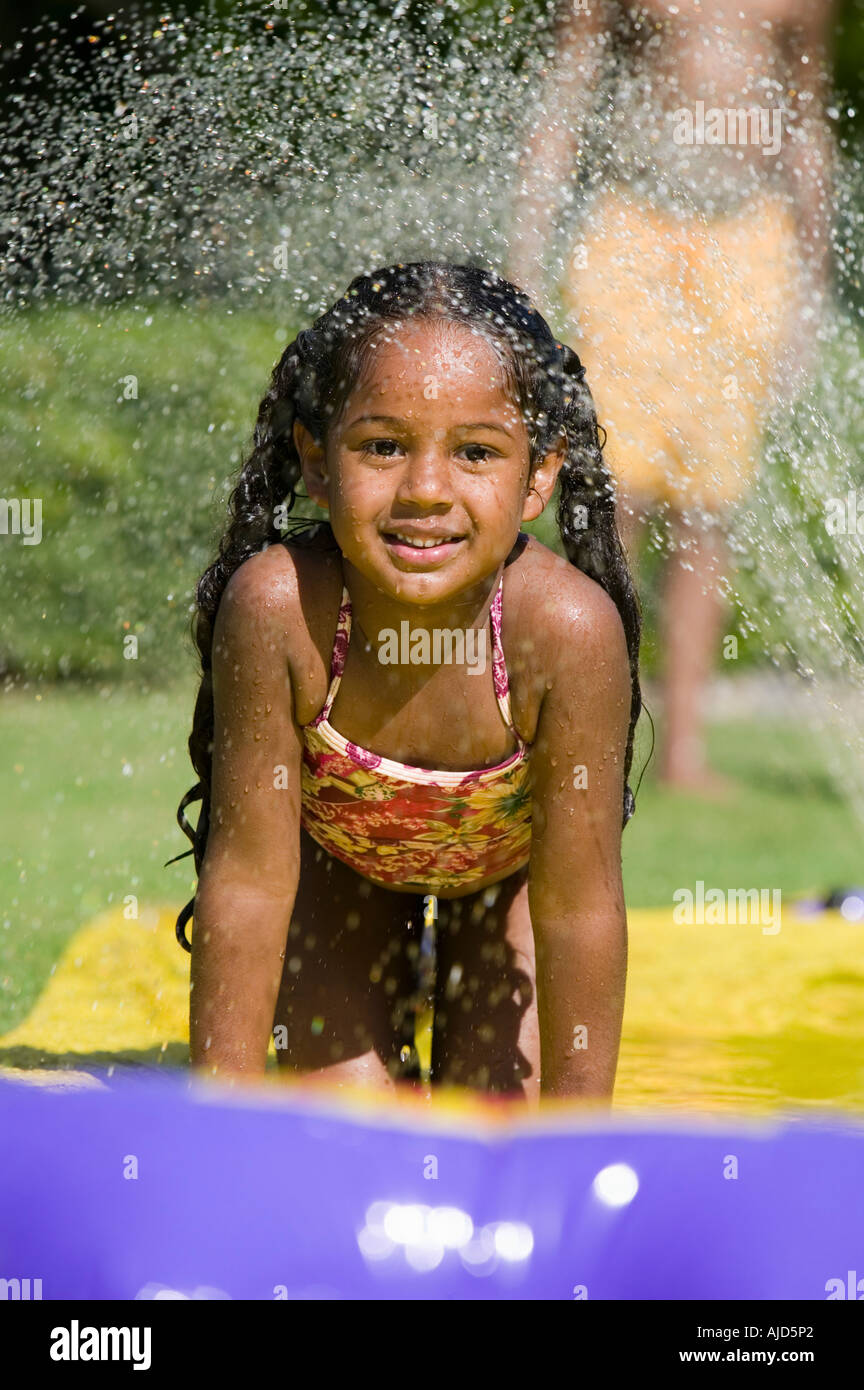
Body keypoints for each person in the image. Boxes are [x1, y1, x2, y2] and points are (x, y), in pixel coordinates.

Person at [172, 261, 642, 1104]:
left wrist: (580, 1145)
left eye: (475, 452)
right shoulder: (282, 610)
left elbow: (580, 912)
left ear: (538, 475)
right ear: (316, 461)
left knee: (497, 1125)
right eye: (383, 446)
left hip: (505, 891)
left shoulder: (565, 633)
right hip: (337, 877)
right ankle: (391, 969)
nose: (426, 491)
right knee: (350, 1135)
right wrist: (219, 1132)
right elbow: (246, 884)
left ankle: (446, 963)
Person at [509, 0, 836, 792]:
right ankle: (576, 730)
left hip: (749, 245)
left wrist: (809, 289)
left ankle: (684, 751)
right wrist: (525, 261)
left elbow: (805, 120)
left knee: (707, 515)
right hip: (634, 232)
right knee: (608, 500)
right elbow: (567, 93)